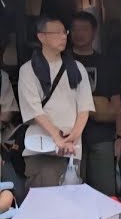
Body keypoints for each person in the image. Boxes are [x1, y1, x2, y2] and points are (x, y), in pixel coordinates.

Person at [17, 16, 94, 188]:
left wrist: (72, 136)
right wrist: (57, 138)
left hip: (72, 149)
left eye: (64, 32)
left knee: (71, 206)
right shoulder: (28, 70)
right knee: (45, 206)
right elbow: (35, 111)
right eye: (57, 33)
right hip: (41, 148)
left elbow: (84, 109)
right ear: (41, 37)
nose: (63, 37)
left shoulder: (77, 68)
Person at [70, 11, 121, 197]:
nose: (79, 33)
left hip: (102, 136)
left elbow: (116, 104)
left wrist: (119, 137)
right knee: (74, 193)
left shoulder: (106, 63)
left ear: (94, 32)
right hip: (70, 137)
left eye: (84, 29)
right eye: (75, 29)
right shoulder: (63, 62)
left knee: (105, 194)